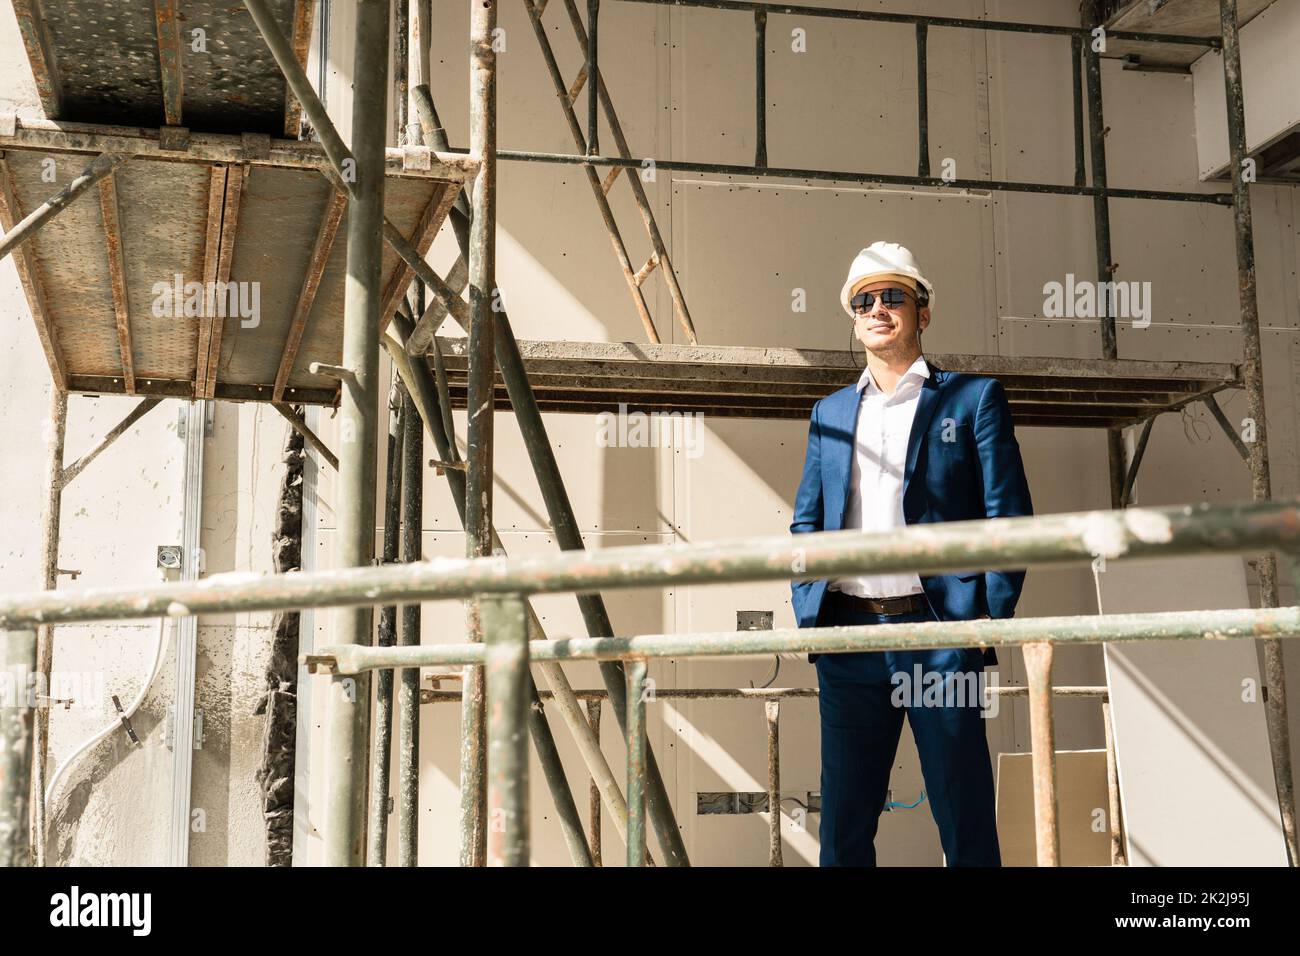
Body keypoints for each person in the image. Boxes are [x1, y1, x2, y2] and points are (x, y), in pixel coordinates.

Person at [789, 241, 1033, 866]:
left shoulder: (972, 399)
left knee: (964, 810)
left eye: (893, 295)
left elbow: (1009, 516)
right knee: (843, 823)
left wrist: (984, 622)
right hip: (849, 637)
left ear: (922, 313)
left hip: (939, 635)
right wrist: (809, 613)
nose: (877, 308)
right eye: (863, 300)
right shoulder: (831, 412)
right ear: (853, 318)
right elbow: (808, 522)